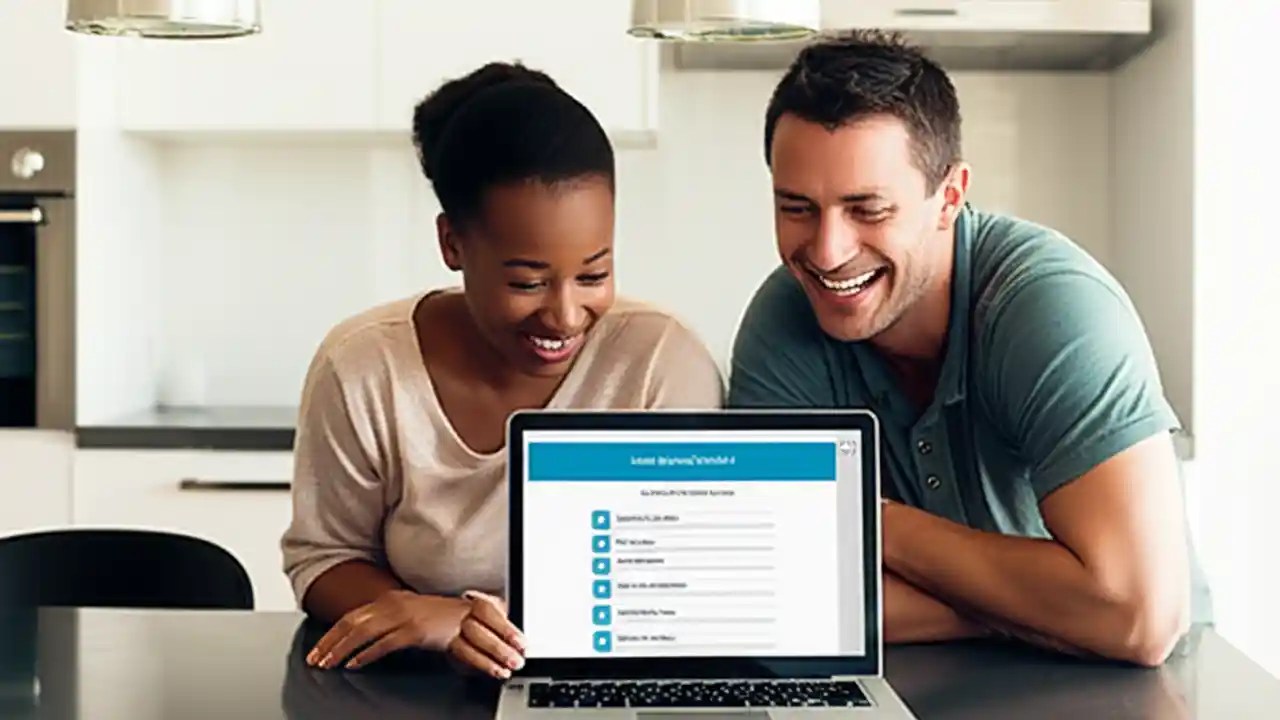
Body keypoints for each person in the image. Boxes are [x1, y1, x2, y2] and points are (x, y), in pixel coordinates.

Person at [728, 30, 1211, 666]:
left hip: (1126, 684)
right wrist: (1041, 608)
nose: (826, 251)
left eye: (866, 209)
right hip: (924, 670)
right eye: (798, 208)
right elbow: (761, 595)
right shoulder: (782, 320)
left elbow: (1139, 618)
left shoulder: (1052, 306)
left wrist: (872, 521)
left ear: (948, 198)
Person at [280, 62, 724, 678]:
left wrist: (482, 626)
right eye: (527, 281)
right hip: (417, 689)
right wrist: (429, 620)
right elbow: (325, 556)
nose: (566, 315)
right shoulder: (363, 366)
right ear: (452, 245)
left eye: (594, 274)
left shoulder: (659, 362)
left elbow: (689, 588)